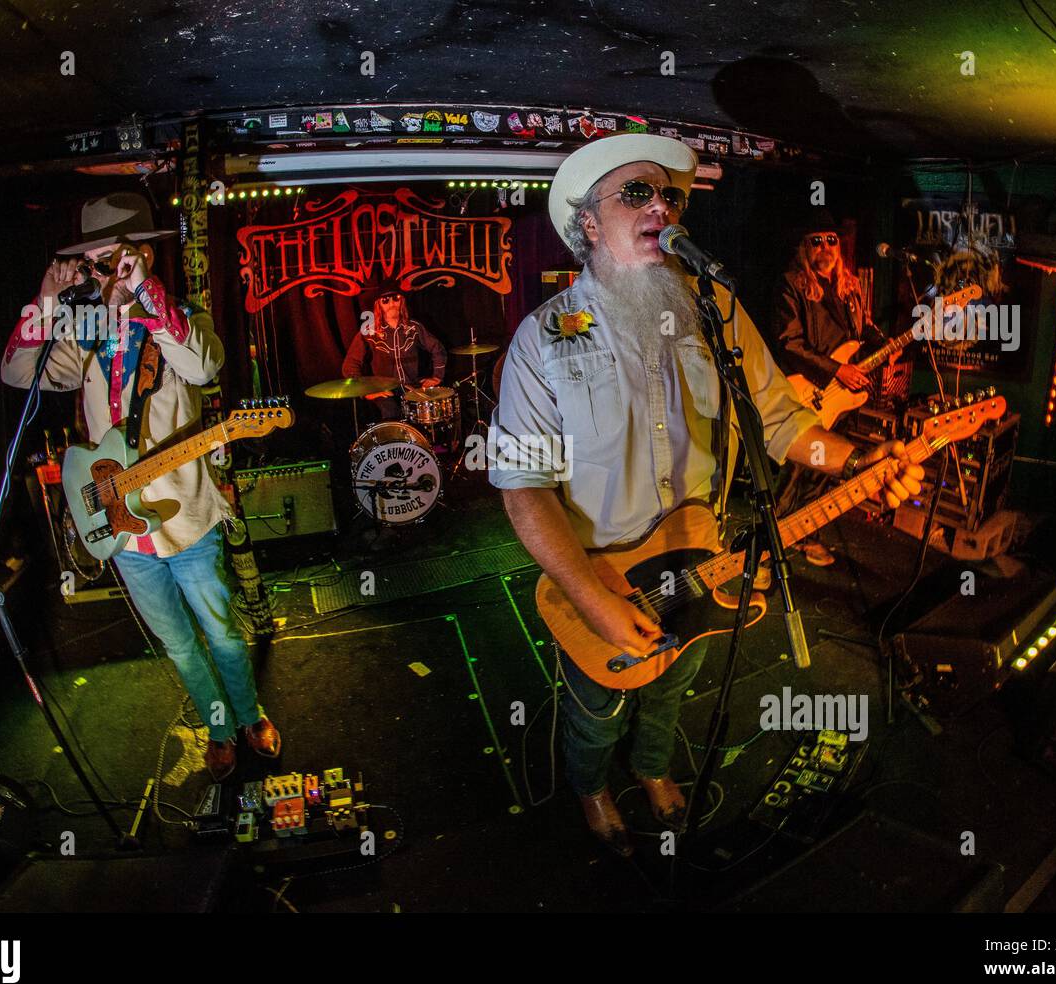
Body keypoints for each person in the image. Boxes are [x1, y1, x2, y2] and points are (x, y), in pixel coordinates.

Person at [490, 135, 923, 856]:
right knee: (595, 706)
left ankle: (653, 767)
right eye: (637, 193)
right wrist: (591, 598)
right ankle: (591, 784)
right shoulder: (544, 341)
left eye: (671, 196)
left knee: (674, 681)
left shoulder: (713, 307)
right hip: (601, 578)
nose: (662, 205)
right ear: (588, 224)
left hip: (704, 558)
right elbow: (523, 488)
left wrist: (861, 459)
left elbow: (782, 420)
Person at [0, 191, 280, 781]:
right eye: (97, 262)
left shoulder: (181, 319)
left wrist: (147, 296)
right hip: (123, 534)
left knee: (223, 634)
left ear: (144, 257)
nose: (108, 273)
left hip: (188, 520)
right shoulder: (84, 337)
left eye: (118, 259)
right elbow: (17, 371)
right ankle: (219, 727)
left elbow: (204, 367)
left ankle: (251, 715)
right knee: (179, 646)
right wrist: (45, 306)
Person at [772, 210, 889, 565]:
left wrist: (894, 343)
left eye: (831, 240)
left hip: (843, 398)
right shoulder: (792, 284)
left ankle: (809, 535)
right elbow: (788, 342)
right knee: (796, 469)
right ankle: (773, 543)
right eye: (817, 241)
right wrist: (838, 370)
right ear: (805, 248)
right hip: (810, 389)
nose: (825, 247)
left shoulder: (849, 288)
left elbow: (864, 333)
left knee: (825, 472)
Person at [342, 281, 448, 420]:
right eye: (386, 300)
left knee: (429, 414)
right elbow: (350, 364)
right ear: (378, 304)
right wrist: (366, 392)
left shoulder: (414, 328)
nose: (392, 303)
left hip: (412, 387)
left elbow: (438, 349)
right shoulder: (369, 332)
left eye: (396, 298)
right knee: (391, 413)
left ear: (401, 301)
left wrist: (437, 376)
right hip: (384, 391)